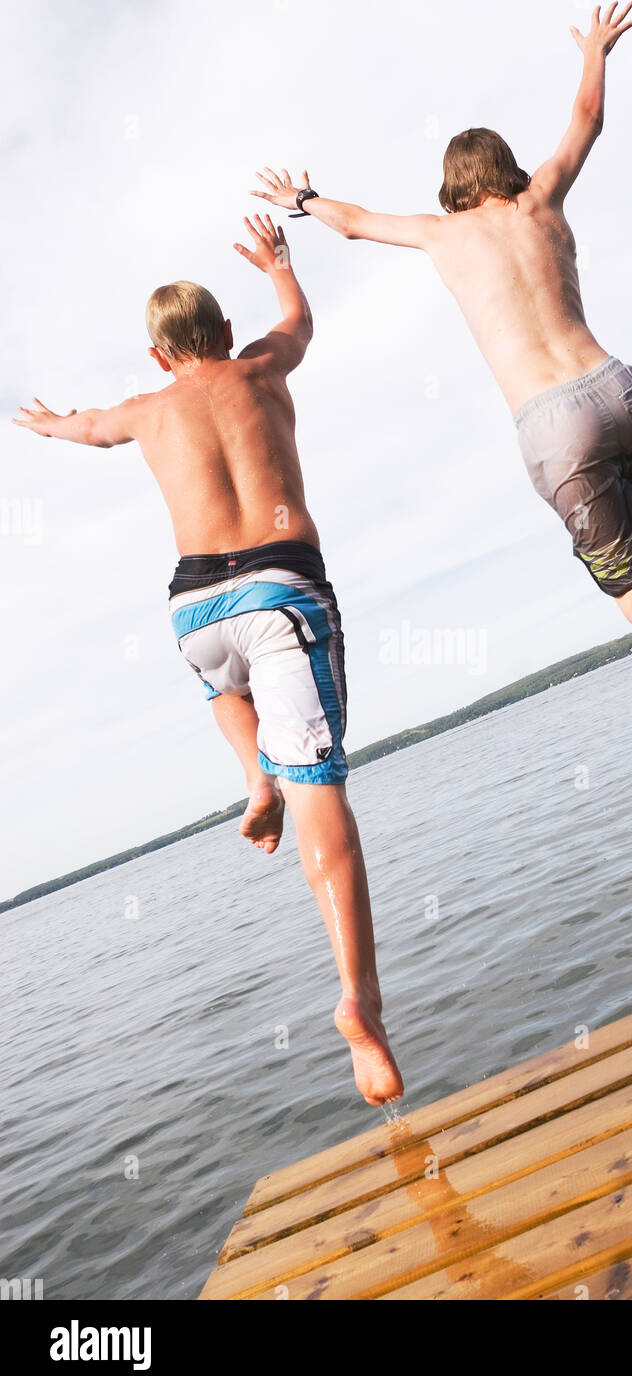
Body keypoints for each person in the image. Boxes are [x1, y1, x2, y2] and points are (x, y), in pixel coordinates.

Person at [251, 3, 632, 778]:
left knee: (631, 588)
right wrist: (597, 51)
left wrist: (303, 200)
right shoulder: (542, 198)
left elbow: (353, 223)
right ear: (504, 168)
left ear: (451, 188)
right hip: (616, 386)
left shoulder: (439, 232)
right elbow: (588, 116)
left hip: (553, 423)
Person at [14, 214, 403, 1105]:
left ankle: (251, 775)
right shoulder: (262, 367)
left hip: (194, 607)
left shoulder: (146, 410)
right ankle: (360, 1003)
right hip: (280, 590)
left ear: (158, 359)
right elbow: (300, 323)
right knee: (324, 795)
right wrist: (278, 266)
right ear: (227, 335)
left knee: (220, 683)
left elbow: (88, 427)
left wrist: (46, 426)